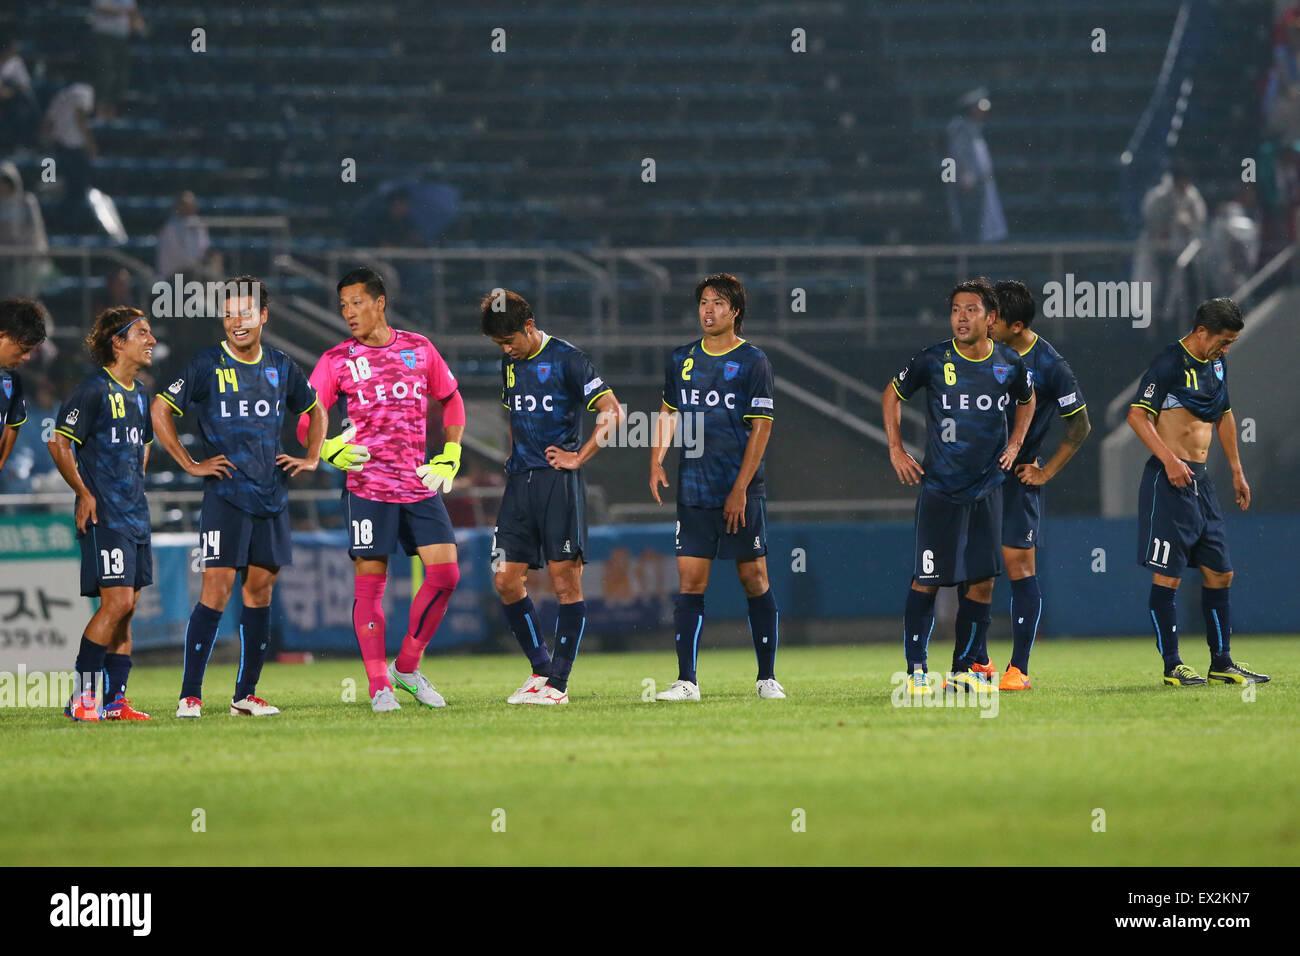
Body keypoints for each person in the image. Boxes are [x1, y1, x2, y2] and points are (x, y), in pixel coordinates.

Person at [151, 276, 325, 718]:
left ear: (263, 316)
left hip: (271, 495)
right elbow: (160, 408)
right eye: (229, 314)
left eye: (245, 313)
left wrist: (311, 458)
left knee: (261, 591)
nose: (236, 321)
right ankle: (190, 695)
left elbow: (315, 408)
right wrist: (189, 463)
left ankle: (244, 696)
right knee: (216, 588)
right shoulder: (207, 364)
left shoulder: (282, 365)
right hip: (226, 494)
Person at [298, 267, 465, 712]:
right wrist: (328, 448)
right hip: (367, 486)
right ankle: (378, 686)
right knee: (371, 585)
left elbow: (450, 397)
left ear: (379, 302)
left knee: (446, 574)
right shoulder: (336, 359)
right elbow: (306, 416)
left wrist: (451, 451)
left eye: (356, 303)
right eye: (343, 307)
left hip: (417, 480)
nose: (349, 313)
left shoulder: (419, 348)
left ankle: (406, 667)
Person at [882, 277, 1035, 695]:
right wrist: (896, 449)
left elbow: (1028, 398)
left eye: (971, 310)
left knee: (982, 581)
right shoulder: (932, 360)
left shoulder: (1008, 363)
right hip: (940, 489)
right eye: (955, 310)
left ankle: (964, 670)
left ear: (992, 318)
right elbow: (892, 395)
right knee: (927, 579)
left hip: (986, 489)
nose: (961, 317)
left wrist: (1017, 441)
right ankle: (916, 671)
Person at [482, 289, 622, 706]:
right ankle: (540, 670)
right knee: (505, 578)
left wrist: (579, 456)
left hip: (557, 483)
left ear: (529, 326)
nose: (507, 349)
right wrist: (513, 456)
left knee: (565, 582)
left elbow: (613, 411)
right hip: (519, 482)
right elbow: (516, 417)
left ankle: (558, 684)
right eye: (499, 345)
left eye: (510, 341)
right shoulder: (510, 363)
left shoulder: (568, 359)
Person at [650, 273, 783, 702]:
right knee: (690, 580)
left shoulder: (753, 362)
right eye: (704, 302)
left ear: (735, 311)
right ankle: (687, 680)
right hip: (694, 489)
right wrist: (656, 458)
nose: (708, 310)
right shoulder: (681, 358)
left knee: (754, 577)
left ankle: (767, 677)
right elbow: (668, 411)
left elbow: (761, 427)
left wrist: (741, 487)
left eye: (718, 303)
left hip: (739, 489)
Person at [1125, 297, 1267, 686]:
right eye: (1222, 341)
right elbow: (1137, 414)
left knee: (1221, 573)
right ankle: (1173, 666)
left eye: (1231, 344)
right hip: (1168, 482)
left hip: (1202, 484)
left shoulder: (1216, 363)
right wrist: (1170, 460)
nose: (1225, 349)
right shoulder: (1169, 362)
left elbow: (1223, 413)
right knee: (1167, 578)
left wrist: (1237, 471)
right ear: (1201, 331)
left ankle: (1221, 662)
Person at [48, 306, 156, 721]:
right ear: (118, 341)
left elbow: (144, 441)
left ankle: (115, 702)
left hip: (136, 515)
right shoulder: (93, 390)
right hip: (106, 517)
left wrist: (135, 478)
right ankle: (82, 697)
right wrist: (84, 492)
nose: (152, 340)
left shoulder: (141, 392)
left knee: (126, 613)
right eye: (143, 333)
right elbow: (59, 442)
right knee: (115, 605)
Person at [986, 279, 1091, 690]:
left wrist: (1046, 472)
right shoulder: (980, 349)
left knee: (1019, 566)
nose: (986, 321)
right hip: (976, 474)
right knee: (973, 566)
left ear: (1015, 326)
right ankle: (978, 662)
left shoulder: (1050, 365)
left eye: (994, 316)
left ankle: (1018, 669)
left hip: (1017, 477)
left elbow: (1080, 425)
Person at [945, 87, 1008, 243]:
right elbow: (954, 155)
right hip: (968, 186)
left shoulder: (976, 130)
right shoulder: (959, 127)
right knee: (970, 225)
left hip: (982, 185)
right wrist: (963, 175)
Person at [41, 76, 98, 230]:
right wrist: (91, 144)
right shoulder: (84, 89)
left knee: (55, 184)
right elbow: (79, 116)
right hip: (74, 148)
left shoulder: (60, 95)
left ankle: (58, 224)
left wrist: (48, 150)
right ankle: (70, 227)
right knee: (76, 190)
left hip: (58, 147)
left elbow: (47, 124)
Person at [0, 298, 47, 476]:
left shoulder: (12, 383)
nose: (26, 358)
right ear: (2, 336)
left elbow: (13, 426)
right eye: (23, 349)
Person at [0, 161, 51, 299]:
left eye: (7, 182)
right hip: (3, 262)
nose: (4, 186)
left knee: (25, 299)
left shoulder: (27, 202)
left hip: (26, 260)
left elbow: (36, 229)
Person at [88, 0, 145, 119]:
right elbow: (102, 7)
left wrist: (138, 24)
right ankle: (100, 111)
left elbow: (133, 13)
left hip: (122, 38)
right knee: (106, 73)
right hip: (103, 36)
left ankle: (111, 111)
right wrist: (124, 11)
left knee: (121, 77)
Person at [155, 190, 212, 281]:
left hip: (195, 273)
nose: (189, 207)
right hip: (173, 277)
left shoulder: (199, 224)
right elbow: (180, 260)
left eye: (191, 203)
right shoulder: (169, 228)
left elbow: (204, 249)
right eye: (185, 204)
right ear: (178, 206)